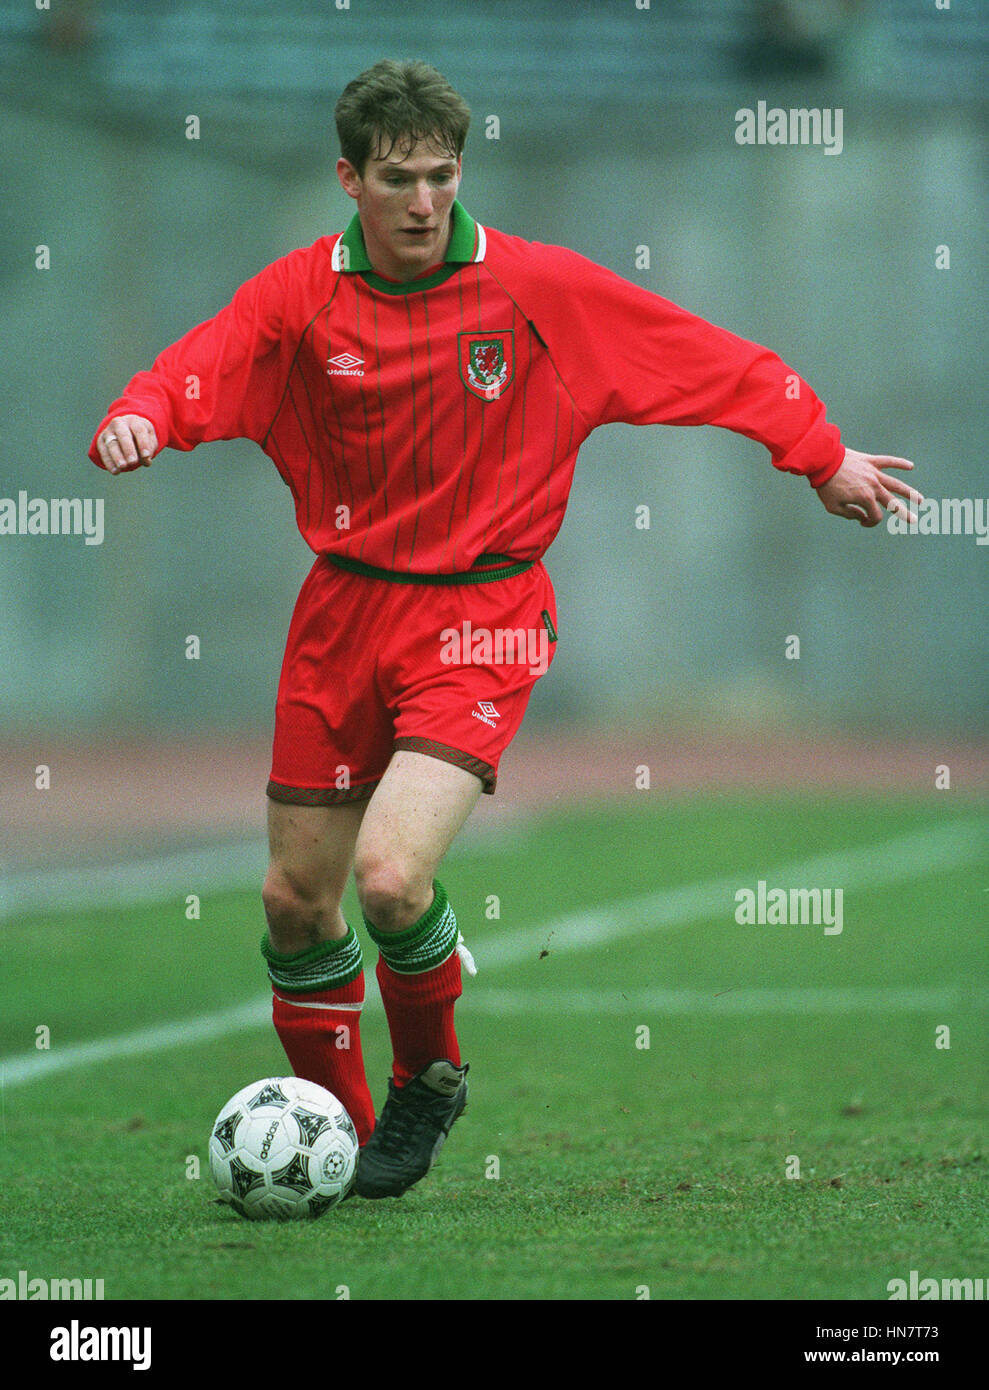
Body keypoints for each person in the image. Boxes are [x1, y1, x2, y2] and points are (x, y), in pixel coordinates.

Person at [88, 59, 921, 1200]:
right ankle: (341, 1135)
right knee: (294, 901)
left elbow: (702, 357)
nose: (423, 201)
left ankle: (430, 1076)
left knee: (388, 880)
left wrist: (818, 453)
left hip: (479, 614)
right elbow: (208, 363)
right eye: (398, 179)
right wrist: (143, 413)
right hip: (339, 610)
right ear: (349, 179)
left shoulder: (536, 289)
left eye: (441, 175)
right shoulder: (298, 294)